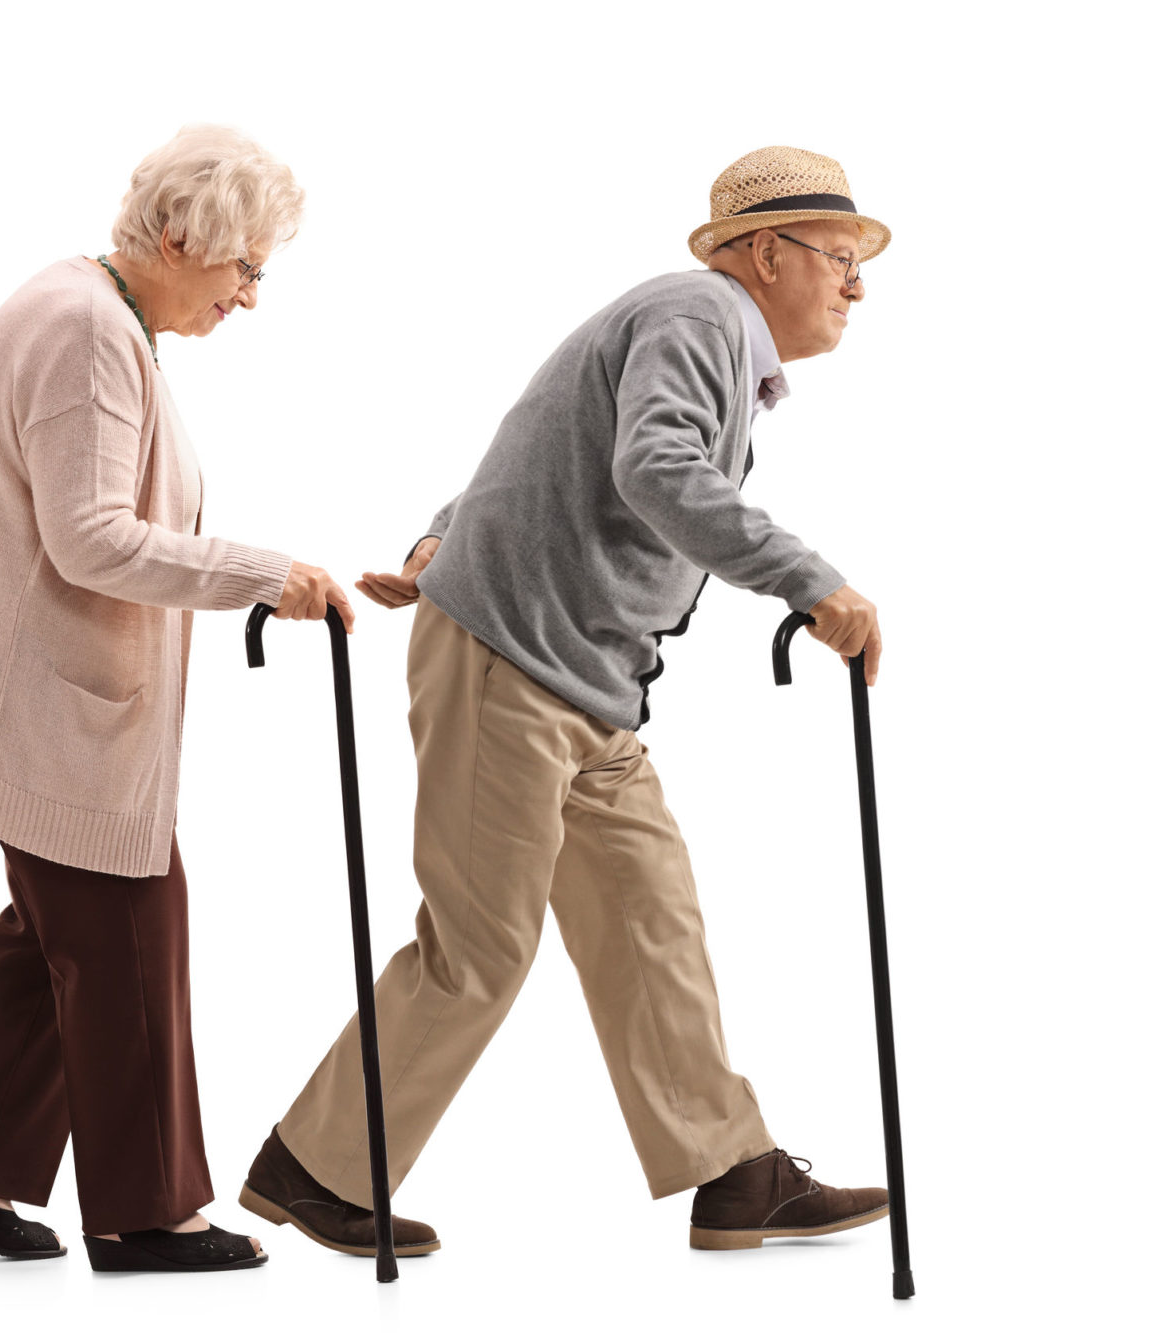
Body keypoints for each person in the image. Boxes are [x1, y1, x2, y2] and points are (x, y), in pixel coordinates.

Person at [238, 147, 892, 1255]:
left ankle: (732, 1171)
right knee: (480, 946)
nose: (856, 285)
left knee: (649, 917)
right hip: (514, 667)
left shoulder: (698, 333)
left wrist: (444, 532)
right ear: (766, 252)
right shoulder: (699, 314)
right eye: (839, 258)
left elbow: (549, 435)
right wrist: (809, 581)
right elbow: (654, 469)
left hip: (583, 683)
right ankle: (313, 1164)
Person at [0, 125, 355, 1274]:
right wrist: (268, 574)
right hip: (48, 704)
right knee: (127, 932)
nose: (250, 297)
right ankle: (143, 1214)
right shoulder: (87, 333)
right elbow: (91, 538)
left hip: (47, 694)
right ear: (175, 236)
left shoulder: (97, 316)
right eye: (243, 266)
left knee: (56, 934)